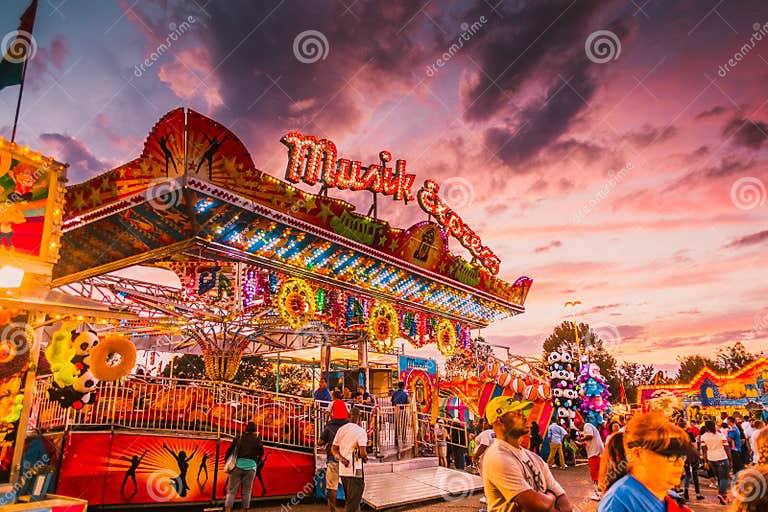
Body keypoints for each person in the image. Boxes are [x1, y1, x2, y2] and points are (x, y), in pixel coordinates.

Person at [482, 396, 574, 512]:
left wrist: (547, 502)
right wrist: (551, 497)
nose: (525, 417)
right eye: (517, 414)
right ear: (500, 420)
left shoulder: (534, 457)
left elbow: (564, 503)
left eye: (522, 413)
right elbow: (536, 506)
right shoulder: (497, 456)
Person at [597, 410, 691, 512]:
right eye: (670, 456)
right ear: (638, 454)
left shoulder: (670, 497)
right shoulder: (620, 502)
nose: (680, 463)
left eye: (682, 456)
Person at [332, 406, 368, 512]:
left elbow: (333, 449)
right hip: (355, 471)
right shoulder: (361, 432)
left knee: (351, 500)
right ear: (359, 417)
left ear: (348, 416)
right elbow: (362, 453)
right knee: (352, 502)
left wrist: (342, 459)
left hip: (343, 471)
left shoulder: (341, 430)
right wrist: (365, 457)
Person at [225, 421, 266, 512]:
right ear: (255, 430)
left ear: (246, 430)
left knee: (231, 491)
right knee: (247, 492)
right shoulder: (257, 440)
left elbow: (231, 450)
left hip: (237, 466)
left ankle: (228, 510)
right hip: (251, 468)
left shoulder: (239, 437)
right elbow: (261, 453)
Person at [318, 397, 350, 512]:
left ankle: (333, 509)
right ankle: (349, 507)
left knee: (332, 486)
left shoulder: (330, 426)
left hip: (333, 458)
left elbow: (320, 442)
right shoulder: (349, 426)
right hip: (347, 460)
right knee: (348, 486)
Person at [701, 419, 731, 504]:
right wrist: (730, 459)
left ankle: (723, 497)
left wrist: (705, 461)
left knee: (719, 478)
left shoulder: (704, 436)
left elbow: (704, 450)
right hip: (722, 457)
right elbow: (726, 448)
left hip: (711, 459)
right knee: (724, 478)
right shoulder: (720, 435)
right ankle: (721, 494)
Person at [675, 418, 704, 502]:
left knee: (687, 474)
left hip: (681, 456)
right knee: (694, 474)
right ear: (685, 425)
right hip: (690, 456)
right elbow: (694, 446)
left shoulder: (676, 435)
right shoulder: (689, 434)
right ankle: (698, 493)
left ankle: (686, 492)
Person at [579, 418, 605, 501]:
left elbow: (590, 436)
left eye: (578, 426)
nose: (579, 428)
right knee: (599, 472)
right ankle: (600, 491)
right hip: (595, 452)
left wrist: (581, 439)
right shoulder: (588, 427)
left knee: (595, 472)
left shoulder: (587, 425)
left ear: (581, 423)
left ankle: (598, 492)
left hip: (594, 453)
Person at [474, 418, 496, 510]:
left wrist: (475, 456)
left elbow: (484, 445)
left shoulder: (485, 433)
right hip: (494, 458)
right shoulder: (494, 432)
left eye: (484, 422)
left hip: (486, 459)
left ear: (487, 423)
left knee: (487, 481)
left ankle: (489, 506)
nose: (482, 424)